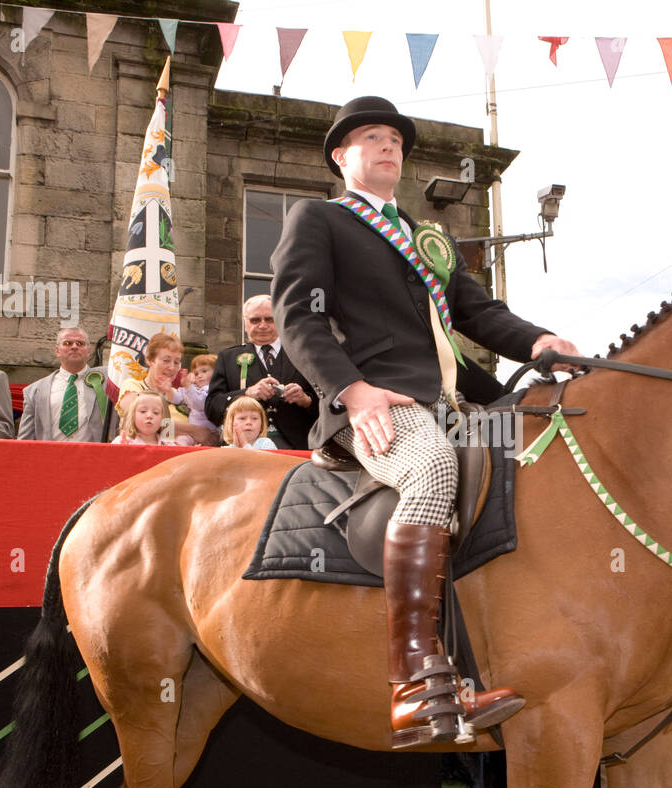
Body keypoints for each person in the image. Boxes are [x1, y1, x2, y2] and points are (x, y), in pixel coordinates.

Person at [271, 95, 579, 749]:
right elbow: (298, 317)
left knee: (548, 459)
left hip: (453, 407)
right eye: (372, 137)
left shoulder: (421, 236)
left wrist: (539, 344)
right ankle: (413, 684)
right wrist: (352, 391)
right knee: (433, 466)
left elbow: (479, 312)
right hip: (376, 406)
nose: (389, 146)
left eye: (396, 140)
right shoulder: (319, 218)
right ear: (340, 156)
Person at [206, 295, 317, 449]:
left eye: (269, 319)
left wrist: (306, 400)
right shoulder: (228, 358)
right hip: (243, 447)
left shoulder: (304, 355)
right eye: (255, 320)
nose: (262, 325)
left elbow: (330, 406)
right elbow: (212, 409)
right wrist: (247, 393)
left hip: (296, 446)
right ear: (245, 323)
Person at [117, 332, 216, 447]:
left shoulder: (179, 394)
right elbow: (142, 421)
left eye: (176, 362)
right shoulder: (134, 387)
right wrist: (194, 430)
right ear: (150, 360)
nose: (172, 367)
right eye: (166, 360)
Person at [16, 327, 109, 442]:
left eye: (80, 343)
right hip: (51, 457)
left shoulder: (106, 381)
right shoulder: (34, 391)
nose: (74, 346)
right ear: (57, 350)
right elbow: (25, 439)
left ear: (88, 351)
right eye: (67, 343)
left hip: (92, 457)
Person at [176, 353, 219, 437]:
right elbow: (178, 398)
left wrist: (188, 386)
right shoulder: (195, 389)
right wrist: (167, 391)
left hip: (209, 433)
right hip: (193, 432)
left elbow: (199, 403)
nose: (199, 376)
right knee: (181, 440)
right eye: (196, 374)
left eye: (204, 371)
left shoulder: (211, 389)